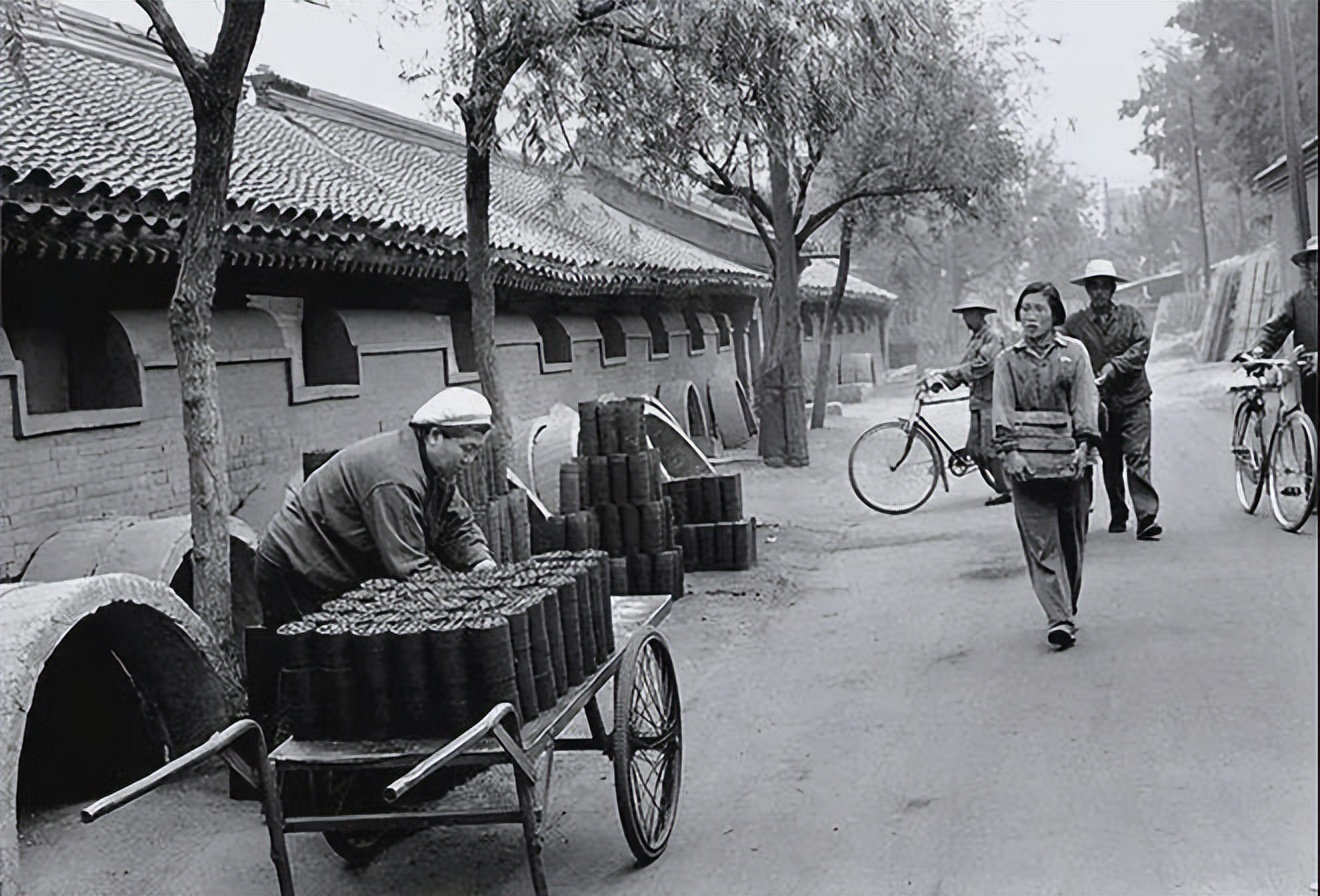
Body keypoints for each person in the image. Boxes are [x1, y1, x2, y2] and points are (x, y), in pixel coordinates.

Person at [256, 387, 498, 628]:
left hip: (337, 563)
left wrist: (480, 562)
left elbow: (455, 525)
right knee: (310, 655)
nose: (470, 460)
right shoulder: (394, 478)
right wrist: (464, 599)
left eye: (476, 451)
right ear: (434, 435)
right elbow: (410, 568)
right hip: (296, 567)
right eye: (467, 449)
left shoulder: (435, 469)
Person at [993, 282, 1100, 650]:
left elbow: (1086, 400)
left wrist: (1085, 446)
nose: (1030, 316)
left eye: (1038, 309)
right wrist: (1010, 452)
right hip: (1027, 466)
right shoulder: (1007, 360)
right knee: (1041, 545)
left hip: (1072, 464)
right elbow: (1002, 409)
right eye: (1024, 309)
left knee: (1072, 543)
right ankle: (1059, 617)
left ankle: (1066, 605)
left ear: (1055, 315)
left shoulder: (1075, 353)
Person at [1062, 258, 1162, 541]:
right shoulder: (1075, 324)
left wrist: (1113, 367)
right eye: (1094, 286)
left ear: (1113, 289)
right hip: (1100, 404)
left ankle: (1146, 516)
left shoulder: (1131, 317)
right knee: (1110, 460)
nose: (1099, 292)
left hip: (1134, 398)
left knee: (1138, 456)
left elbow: (1141, 347)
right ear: (1088, 290)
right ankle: (1119, 511)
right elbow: (1062, 350)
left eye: (1105, 286)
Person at [922, 298, 1012, 505]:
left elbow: (982, 365)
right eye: (964, 315)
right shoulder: (975, 339)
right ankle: (1003, 485)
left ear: (980, 315)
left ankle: (1008, 489)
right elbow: (965, 367)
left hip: (993, 399)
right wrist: (943, 381)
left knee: (991, 448)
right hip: (978, 400)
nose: (965, 319)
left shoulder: (993, 337)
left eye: (969, 315)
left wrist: (947, 373)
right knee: (975, 450)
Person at [1234, 235, 1318, 427]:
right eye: (1315, 262)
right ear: (1309, 268)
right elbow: (1274, 330)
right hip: (1313, 383)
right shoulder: (1298, 302)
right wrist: (1258, 352)